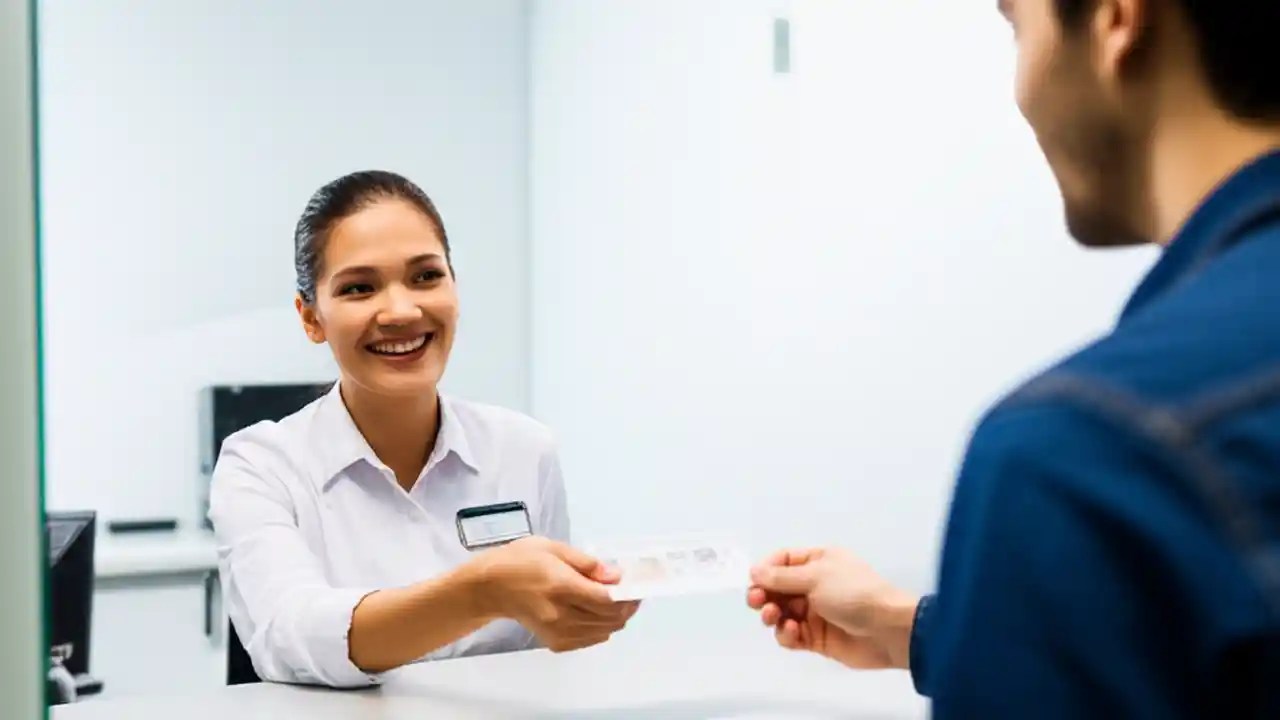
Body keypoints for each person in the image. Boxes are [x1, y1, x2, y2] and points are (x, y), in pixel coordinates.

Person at [747, 0, 1280, 716]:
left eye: (1015, 25)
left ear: (1117, 19)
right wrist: (921, 632)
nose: (1021, 87)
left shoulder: (1085, 460)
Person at [209, 170, 637, 687]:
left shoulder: (523, 449)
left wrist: (582, 612)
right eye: (359, 288)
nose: (401, 310)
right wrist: (482, 592)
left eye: (425, 276)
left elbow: (545, 655)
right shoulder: (261, 465)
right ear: (311, 318)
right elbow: (291, 634)